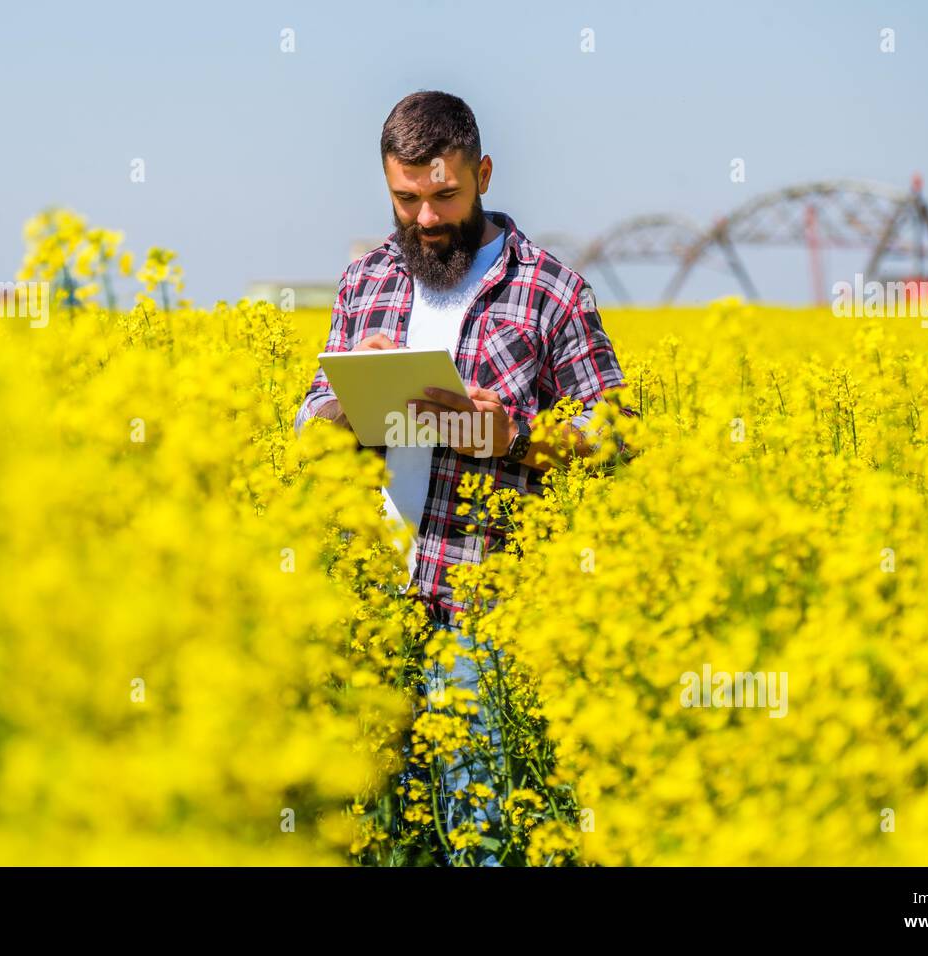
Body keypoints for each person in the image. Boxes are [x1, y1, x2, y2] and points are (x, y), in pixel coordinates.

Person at [294, 90, 634, 865]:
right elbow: (311, 415)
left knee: (476, 832)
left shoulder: (550, 290)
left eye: (445, 195)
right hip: (373, 604)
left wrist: (513, 437)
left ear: (482, 174)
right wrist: (346, 404)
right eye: (406, 199)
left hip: (484, 606)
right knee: (376, 831)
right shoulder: (366, 282)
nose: (426, 219)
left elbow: (616, 432)